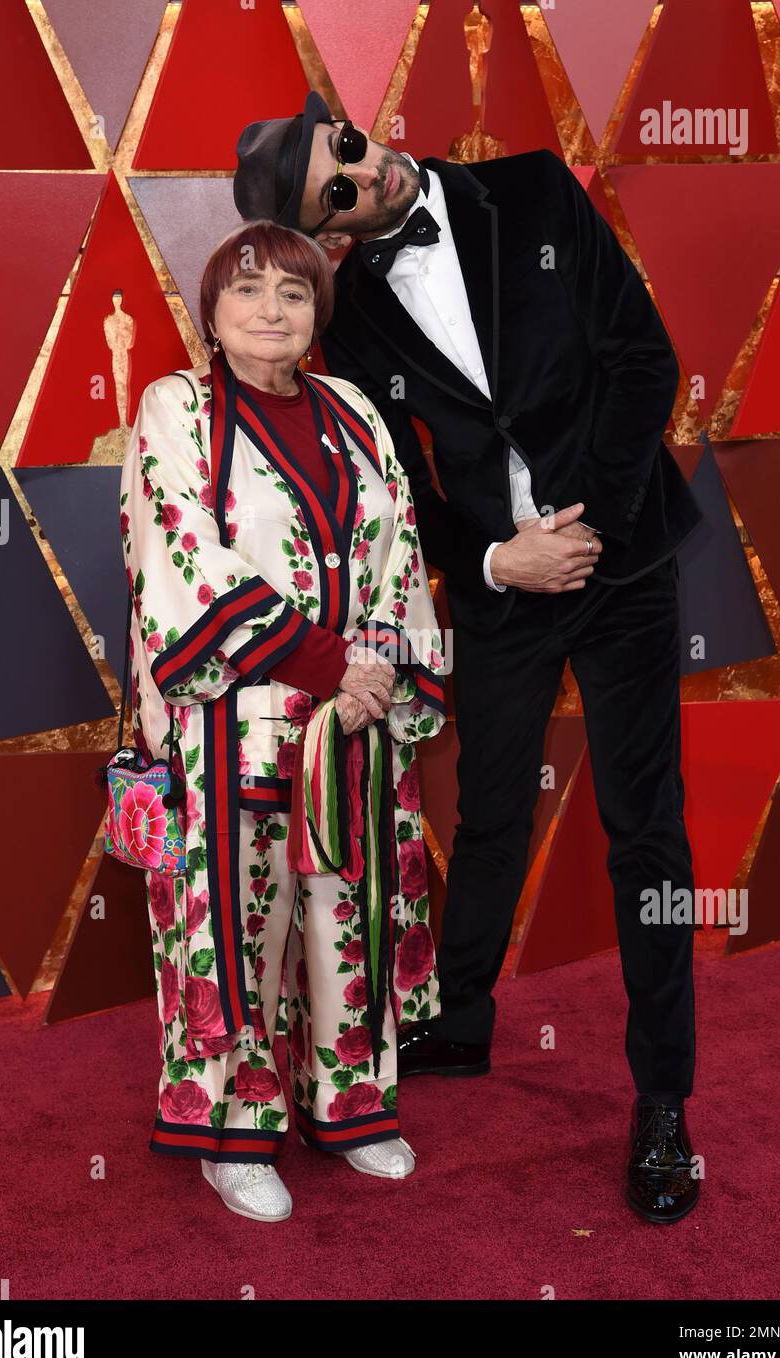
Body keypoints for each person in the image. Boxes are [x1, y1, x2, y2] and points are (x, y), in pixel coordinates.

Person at [232, 91, 706, 1223]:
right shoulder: (347, 323)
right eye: (331, 194)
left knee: (644, 829)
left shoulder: (537, 187)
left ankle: (664, 1104)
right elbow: (404, 492)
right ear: (331, 234)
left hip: (620, 557)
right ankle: (461, 1018)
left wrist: (583, 532)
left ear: (351, 120)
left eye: (342, 147)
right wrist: (499, 562)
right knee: (490, 809)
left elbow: (644, 360)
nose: (359, 172)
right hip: (504, 586)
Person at [119, 219, 446, 1222]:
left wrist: (378, 668)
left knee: (345, 910)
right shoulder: (176, 409)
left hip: (352, 718)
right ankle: (235, 1131)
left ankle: (350, 1104)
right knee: (235, 920)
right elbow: (181, 558)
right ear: (211, 311)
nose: (271, 312)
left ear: (318, 314)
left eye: (294, 294)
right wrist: (329, 661)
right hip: (233, 716)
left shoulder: (352, 409)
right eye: (249, 291)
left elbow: (397, 544)